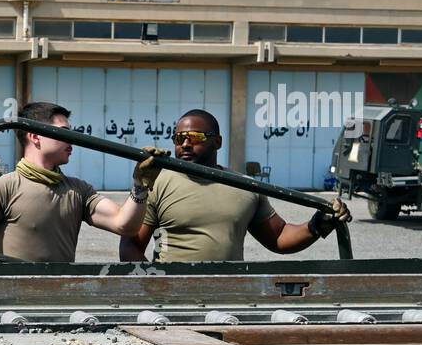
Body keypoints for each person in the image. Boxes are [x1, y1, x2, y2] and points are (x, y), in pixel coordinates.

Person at [118, 109, 352, 263]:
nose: (186, 144)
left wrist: (316, 225)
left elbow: (279, 237)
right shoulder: (156, 183)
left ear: (217, 142)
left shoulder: (245, 186)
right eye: (180, 138)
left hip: (228, 292)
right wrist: (154, 285)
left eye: (196, 137)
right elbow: (131, 245)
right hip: (173, 293)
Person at [0, 101, 162, 263]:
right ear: (36, 136)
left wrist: (140, 185)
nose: (71, 140)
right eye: (64, 132)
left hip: (61, 298)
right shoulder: (1, 189)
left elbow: (125, 225)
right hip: (13, 304)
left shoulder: (78, 190)